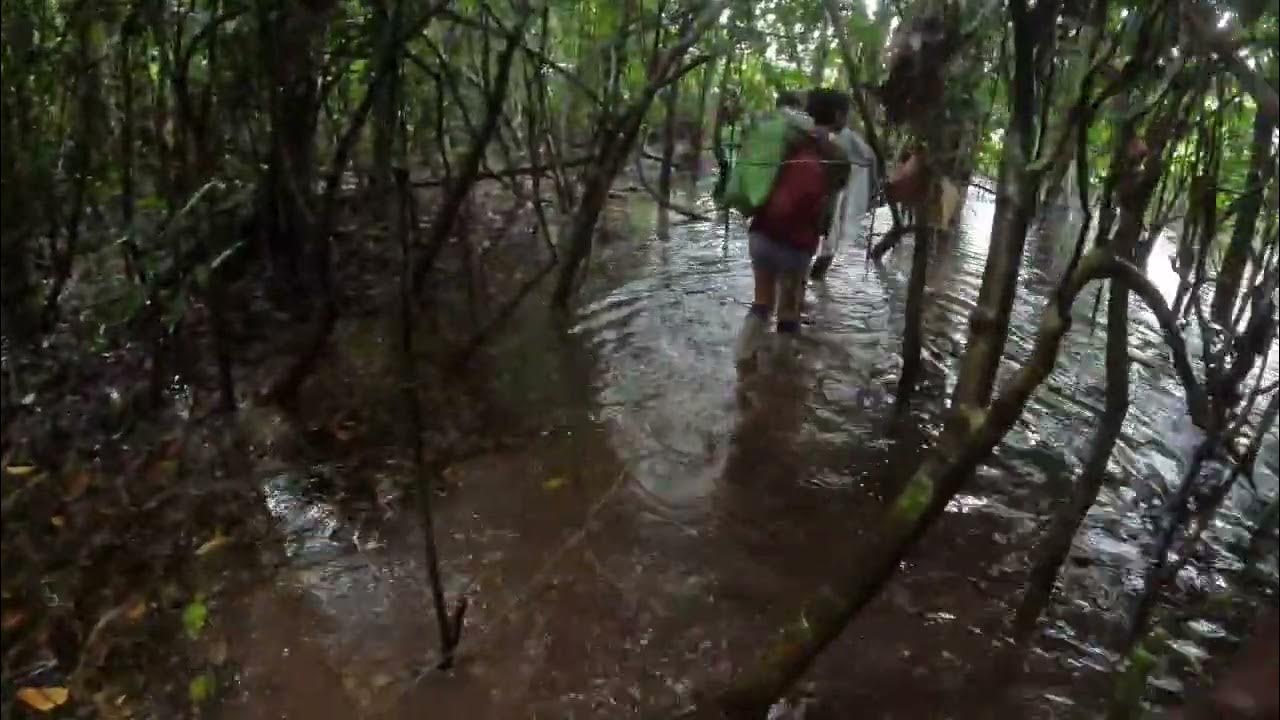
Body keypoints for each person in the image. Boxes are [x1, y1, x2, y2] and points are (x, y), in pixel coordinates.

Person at [734, 88, 851, 369]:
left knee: (762, 302)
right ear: (837, 116)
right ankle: (782, 376)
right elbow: (836, 191)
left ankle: (742, 363)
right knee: (789, 308)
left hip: (762, 233)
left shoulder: (784, 136)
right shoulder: (836, 155)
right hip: (798, 243)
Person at [810, 122, 877, 280]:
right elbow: (869, 159)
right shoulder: (843, 142)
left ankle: (816, 281)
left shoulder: (840, 141)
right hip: (828, 206)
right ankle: (816, 282)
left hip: (826, 206)